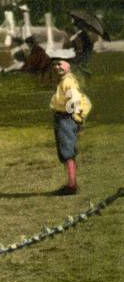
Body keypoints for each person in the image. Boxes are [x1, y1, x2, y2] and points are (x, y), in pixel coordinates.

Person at [49, 58, 91, 195]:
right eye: (55, 64)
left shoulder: (68, 82)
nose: (57, 67)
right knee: (66, 150)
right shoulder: (65, 80)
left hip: (66, 118)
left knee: (67, 152)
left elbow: (75, 100)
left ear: (68, 65)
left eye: (60, 63)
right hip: (64, 117)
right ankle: (71, 183)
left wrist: (76, 118)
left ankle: (72, 185)